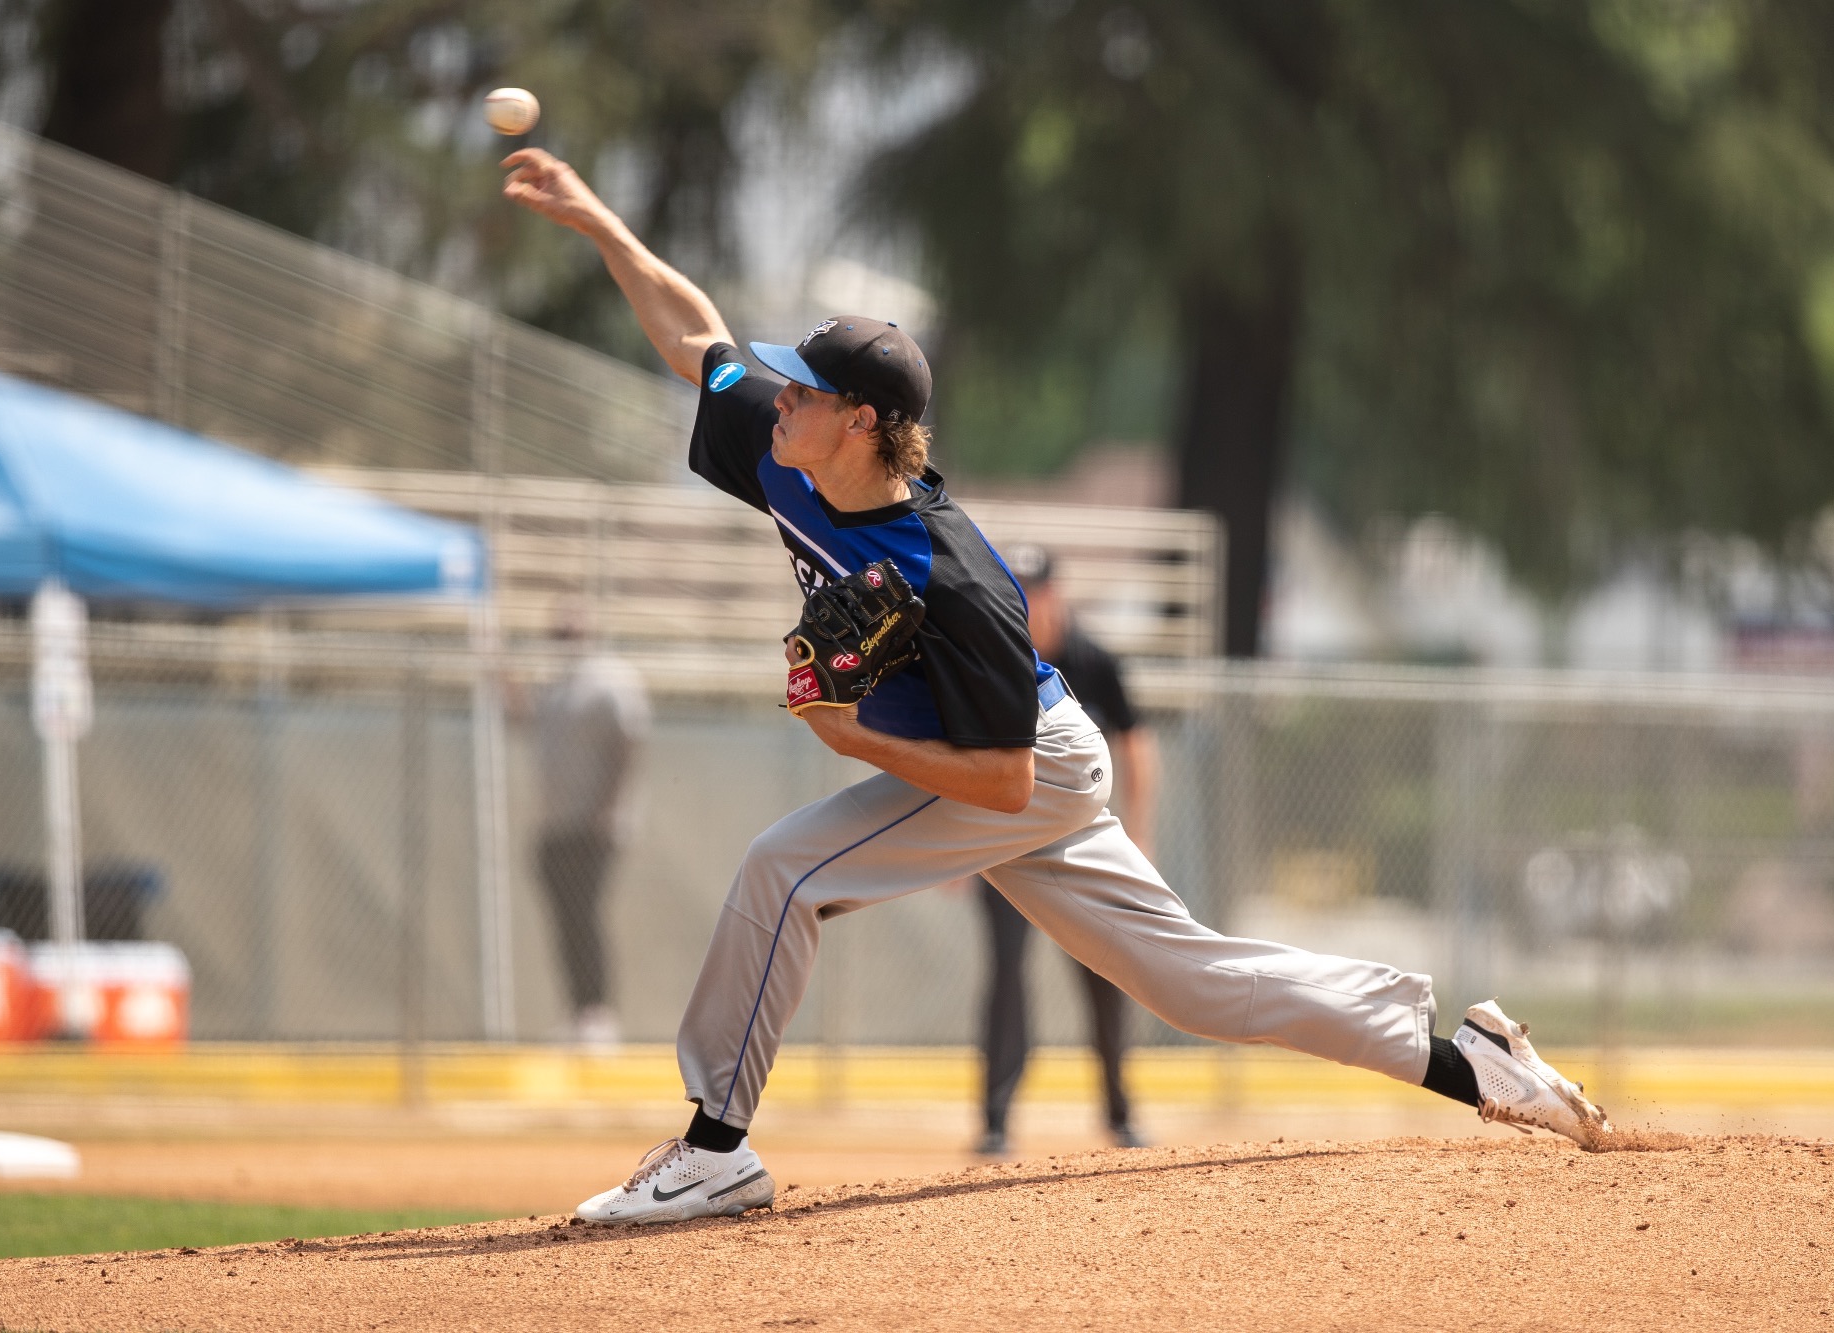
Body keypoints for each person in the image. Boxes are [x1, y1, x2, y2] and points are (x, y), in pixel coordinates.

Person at [499, 146, 1613, 1227]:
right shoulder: (789, 457)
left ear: (863, 423)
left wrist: (855, 738)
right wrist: (596, 219)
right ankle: (1468, 1065)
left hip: (1019, 760)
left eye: (801, 387)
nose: (775, 396)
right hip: (1031, 761)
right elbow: (694, 336)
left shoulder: (953, 576)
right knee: (1192, 986)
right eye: (783, 385)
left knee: (781, 871)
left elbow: (998, 780)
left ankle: (712, 1151)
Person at [974, 543, 1152, 1155]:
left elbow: (1135, 745)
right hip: (1004, 845)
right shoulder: (997, 654)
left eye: (1036, 591)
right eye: (1017, 591)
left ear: (1056, 593)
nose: (1028, 603)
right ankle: (995, 1121)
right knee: (1005, 976)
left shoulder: (1093, 660)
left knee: (1107, 971)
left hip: (1080, 845)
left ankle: (1120, 1113)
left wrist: (1141, 832)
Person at [531, 603, 649, 1049]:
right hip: (555, 820)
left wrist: (607, 808)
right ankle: (576, 1007)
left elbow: (628, 742)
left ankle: (597, 1012)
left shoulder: (608, 682)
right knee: (564, 919)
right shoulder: (556, 685)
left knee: (585, 914)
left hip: (594, 825)